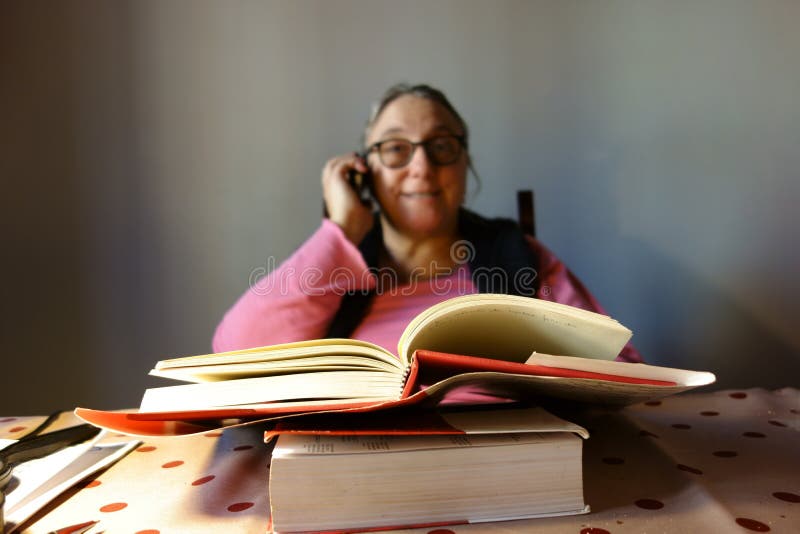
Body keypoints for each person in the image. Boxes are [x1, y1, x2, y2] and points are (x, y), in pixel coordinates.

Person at [213, 83, 641, 363]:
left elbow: (619, 365)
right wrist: (340, 231)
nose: (421, 166)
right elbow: (234, 352)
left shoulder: (515, 255)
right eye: (396, 149)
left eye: (441, 145)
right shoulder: (331, 269)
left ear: (464, 160)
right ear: (364, 171)